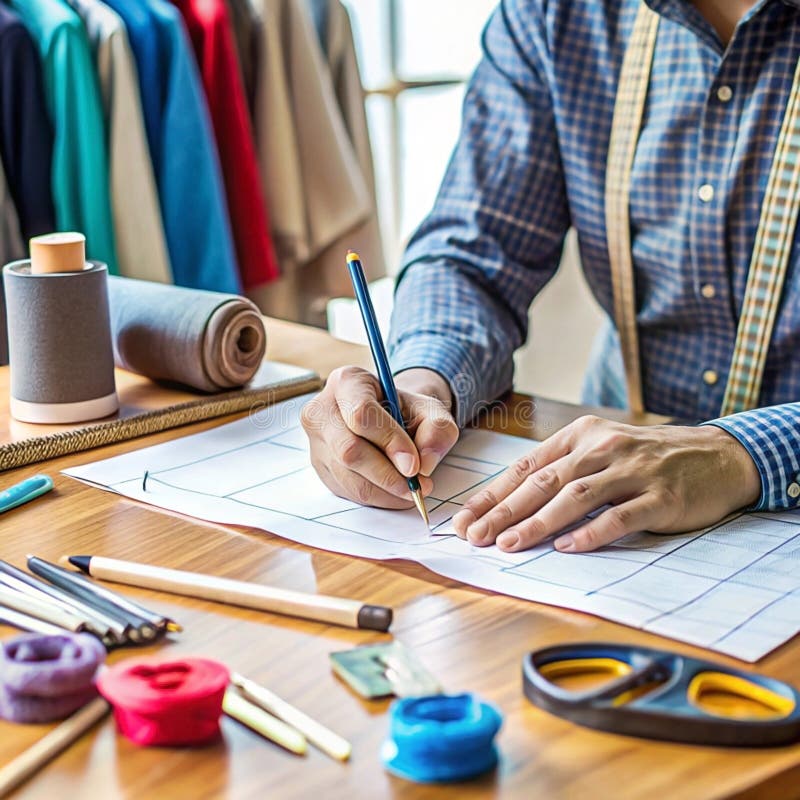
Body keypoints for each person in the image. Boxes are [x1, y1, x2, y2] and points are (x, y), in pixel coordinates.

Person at [302, 0, 800, 555]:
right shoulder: (555, 12)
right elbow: (475, 251)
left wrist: (742, 453)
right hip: (614, 484)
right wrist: (422, 384)